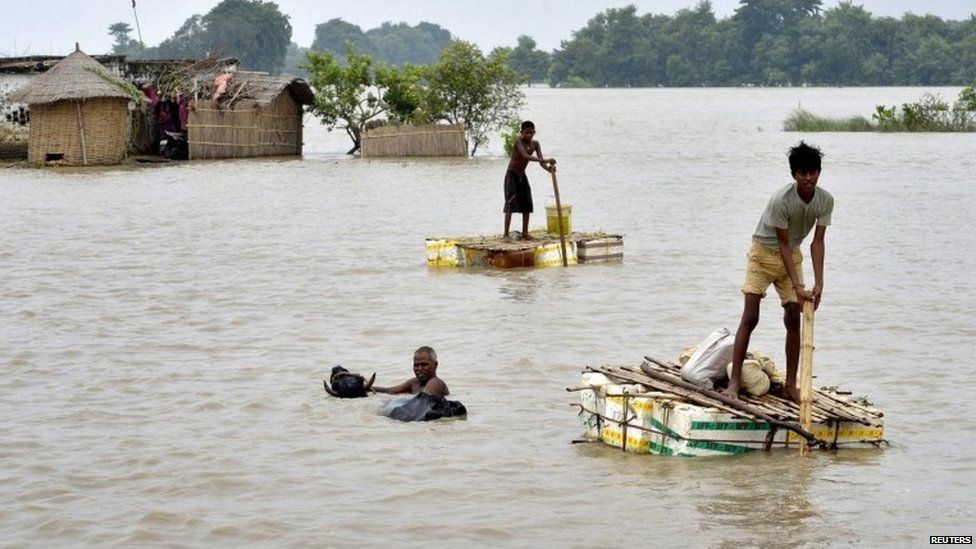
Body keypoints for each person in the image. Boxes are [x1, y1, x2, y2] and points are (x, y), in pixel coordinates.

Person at [722, 142, 834, 403]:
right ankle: (734, 382)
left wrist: (819, 284)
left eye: (812, 173)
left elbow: (817, 242)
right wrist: (798, 286)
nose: (808, 178)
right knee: (751, 316)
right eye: (802, 173)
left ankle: (790, 385)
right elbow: (780, 243)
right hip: (762, 254)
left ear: (818, 173)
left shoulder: (825, 200)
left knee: (794, 316)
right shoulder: (781, 200)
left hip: (792, 256)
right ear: (794, 175)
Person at [503, 121, 556, 242]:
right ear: (521, 133)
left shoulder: (535, 144)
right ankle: (505, 234)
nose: (528, 135)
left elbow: (541, 162)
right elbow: (525, 155)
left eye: (531, 133)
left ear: (534, 133)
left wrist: (549, 169)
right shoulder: (518, 141)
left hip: (522, 175)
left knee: (527, 203)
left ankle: (525, 233)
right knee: (510, 203)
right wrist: (546, 159)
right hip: (512, 175)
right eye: (526, 132)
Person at [371, 346, 449, 397]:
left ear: (435, 365)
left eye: (424, 365)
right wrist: (367, 388)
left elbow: (423, 399)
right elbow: (388, 391)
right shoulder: (414, 383)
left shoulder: (436, 383)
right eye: (416, 365)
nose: (419, 368)